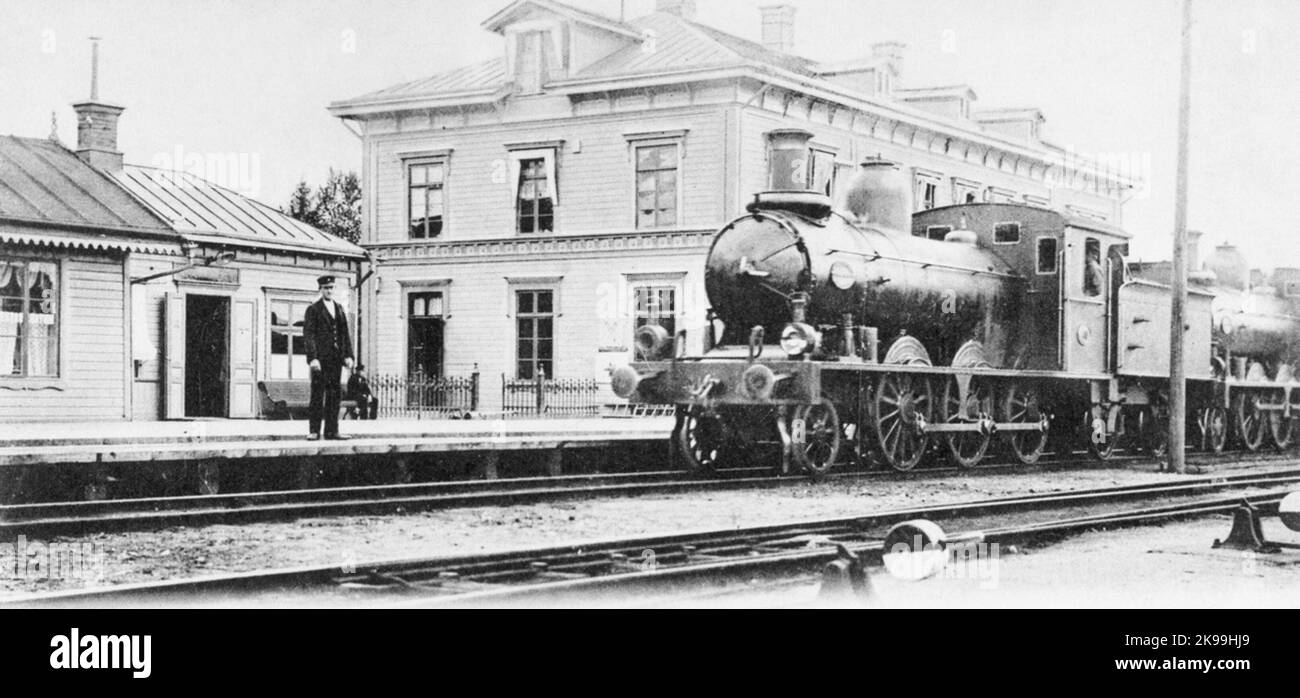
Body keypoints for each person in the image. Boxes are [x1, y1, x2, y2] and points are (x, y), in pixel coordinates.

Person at [303, 275, 354, 440]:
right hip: (320, 360)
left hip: (335, 359)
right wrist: (313, 358)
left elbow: (344, 334)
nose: (329, 290)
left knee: (334, 396)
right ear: (321, 289)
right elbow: (309, 335)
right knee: (317, 395)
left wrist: (348, 355)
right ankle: (314, 431)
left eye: (331, 287)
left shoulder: (339, 308)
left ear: (334, 289)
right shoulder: (313, 309)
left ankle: (332, 431)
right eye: (326, 288)